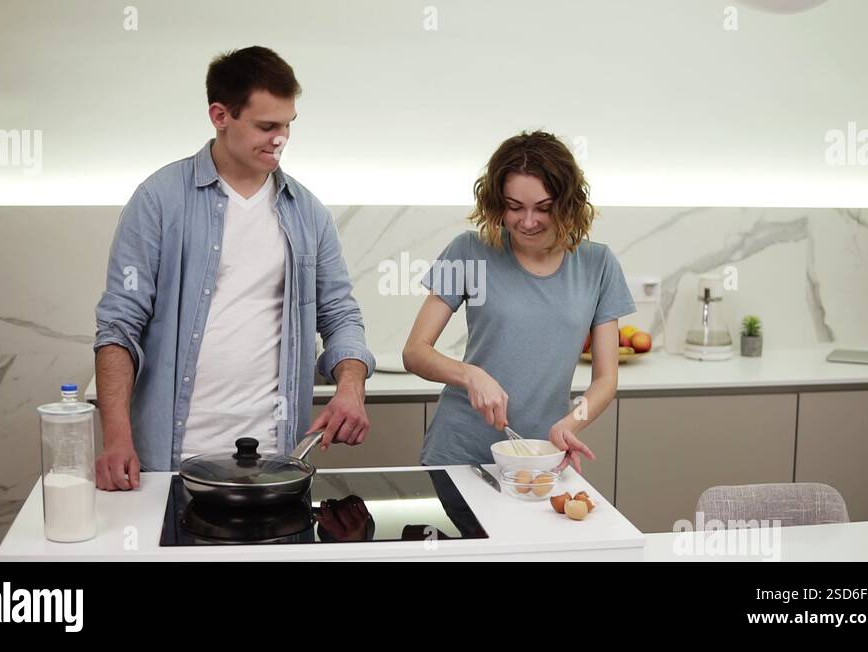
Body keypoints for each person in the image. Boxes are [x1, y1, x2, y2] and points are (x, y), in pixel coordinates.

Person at [93, 46, 374, 489]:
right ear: (220, 116)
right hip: (169, 463)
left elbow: (340, 315)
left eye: (287, 125)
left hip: (277, 464)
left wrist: (351, 387)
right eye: (266, 126)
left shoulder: (308, 213)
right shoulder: (159, 201)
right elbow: (119, 327)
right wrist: (116, 437)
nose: (280, 138)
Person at [403, 131, 636, 472]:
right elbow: (415, 352)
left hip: (541, 456)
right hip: (460, 454)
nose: (527, 222)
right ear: (497, 202)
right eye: (514, 207)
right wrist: (471, 375)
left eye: (544, 208)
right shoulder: (469, 252)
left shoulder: (597, 265)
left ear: (568, 202)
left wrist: (572, 423)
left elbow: (605, 380)